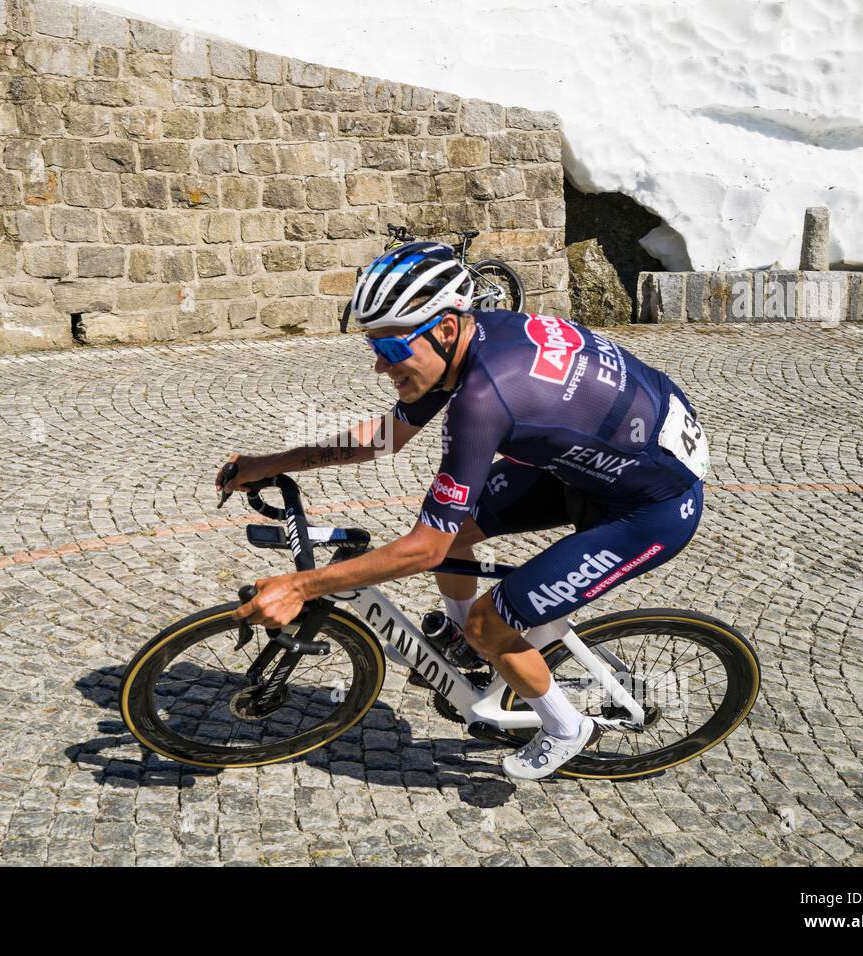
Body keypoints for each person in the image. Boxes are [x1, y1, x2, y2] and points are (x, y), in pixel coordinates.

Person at [220, 241, 709, 781]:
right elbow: (387, 437)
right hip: (600, 464)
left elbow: (421, 547)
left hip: (651, 508)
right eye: (372, 345)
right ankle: (463, 640)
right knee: (457, 536)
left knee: (489, 620)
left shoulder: (485, 397)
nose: (381, 365)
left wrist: (301, 587)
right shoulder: (474, 342)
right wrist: (269, 462)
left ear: (446, 328)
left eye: (391, 346)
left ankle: (567, 726)